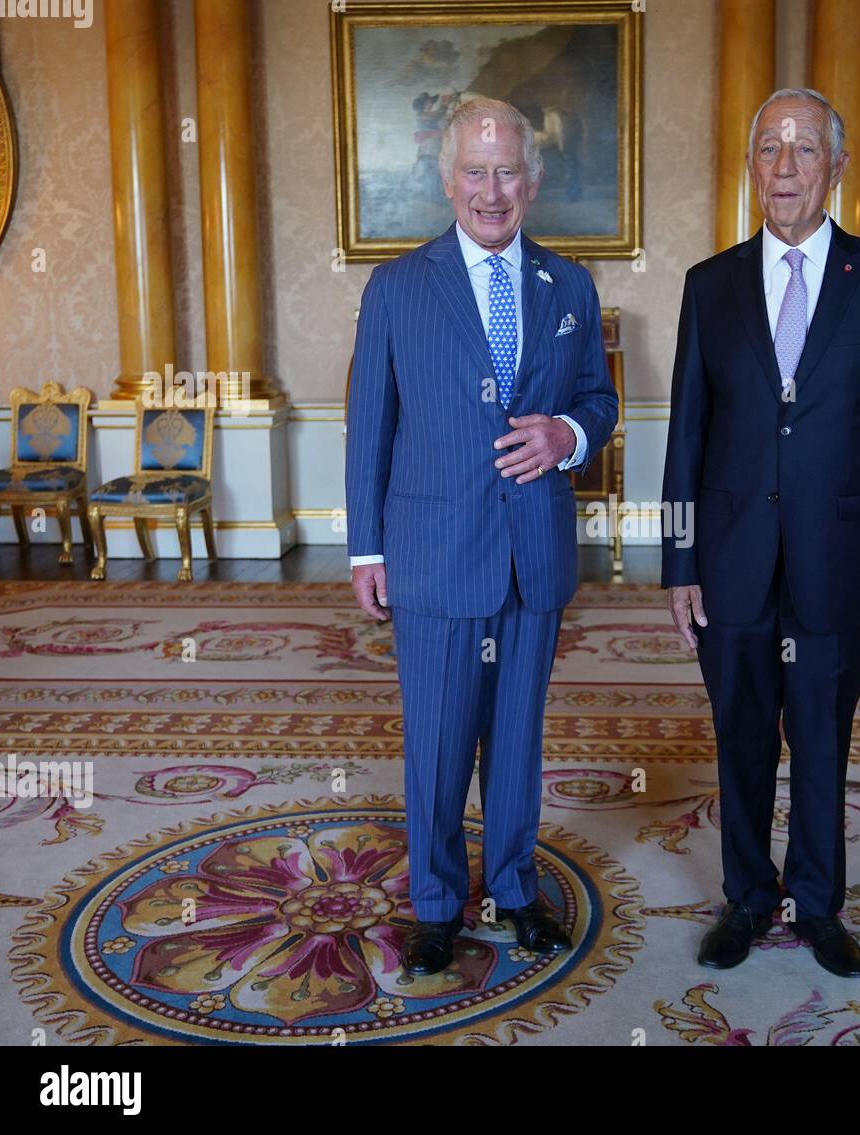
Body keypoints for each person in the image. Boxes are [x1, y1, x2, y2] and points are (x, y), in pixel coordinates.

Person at [661, 87, 860, 978]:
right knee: (739, 734)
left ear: (837, 166)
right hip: (730, 561)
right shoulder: (709, 286)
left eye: (804, 148)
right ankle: (747, 896)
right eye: (769, 148)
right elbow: (685, 436)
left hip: (841, 563)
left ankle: (819, 906)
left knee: (821, 736)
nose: (784, 167)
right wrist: (678, 560)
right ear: (751, 167)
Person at [345, 97, 618, 975]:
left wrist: (566, 437)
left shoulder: (569, 285)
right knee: (434, 742)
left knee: (516, 740)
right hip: (432, 556)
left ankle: (514, 886)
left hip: (532, 557)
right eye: (476, 171)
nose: (491, 190)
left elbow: (598, 402)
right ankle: (434, 903)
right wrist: (365, 550)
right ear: (447, 177)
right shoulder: (396, 286)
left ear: (532, 182)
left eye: (508, 172)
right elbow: (367, 428)